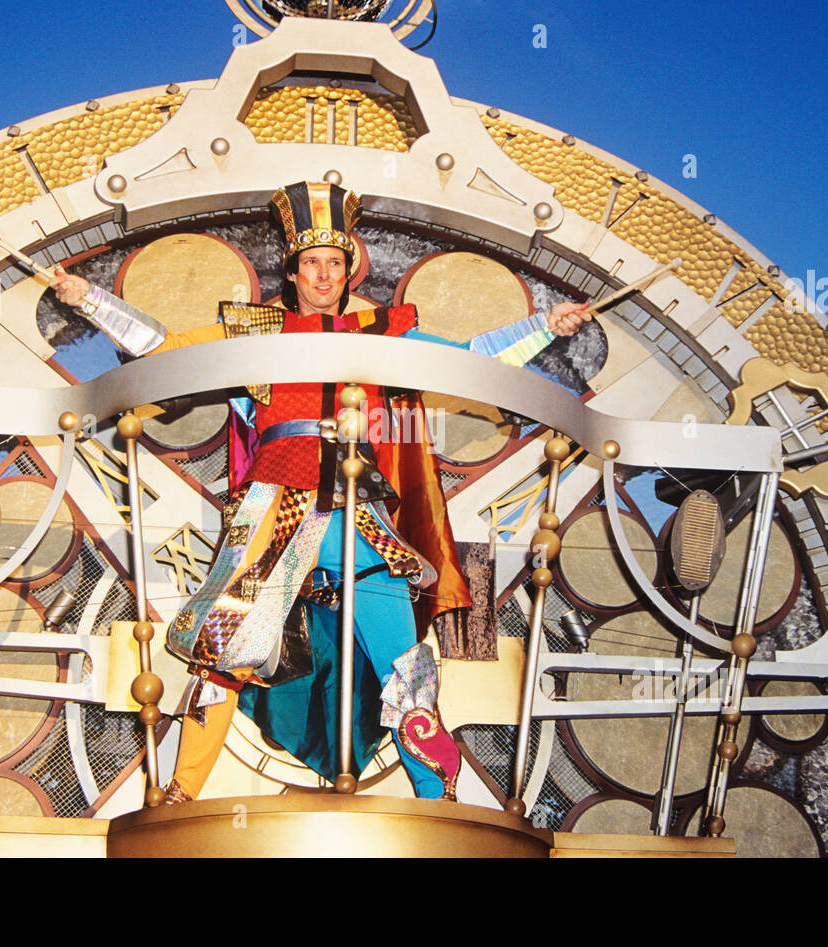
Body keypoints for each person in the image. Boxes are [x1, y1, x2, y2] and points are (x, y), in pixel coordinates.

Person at [52, 181, 593, 802]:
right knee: (225, 644)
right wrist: (87, 298)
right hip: (276, 503)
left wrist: (548, 327)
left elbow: (472, 359)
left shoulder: (381, 332)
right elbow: (163, 348)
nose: (324, 274)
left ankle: (438, 801)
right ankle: (182, 788)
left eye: (335, 263)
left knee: (405, 664)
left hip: (358, 505)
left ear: (348, 268)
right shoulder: (255, 332)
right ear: (294, 270)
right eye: (312, 263)